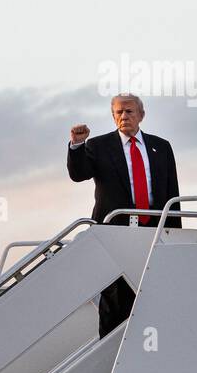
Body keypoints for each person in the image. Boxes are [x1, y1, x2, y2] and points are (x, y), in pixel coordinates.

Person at [67, 93, 182, 335]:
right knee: (115, 301)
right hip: (114, 236)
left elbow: (173, 193)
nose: (124, 116)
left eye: (129, 111)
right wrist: (77, 145)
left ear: (141, 115)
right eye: (118, 112)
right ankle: (110, 364)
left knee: (154, 298)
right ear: (113, 116)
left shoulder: (161, 147)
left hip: (153, 233)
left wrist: (176, 237)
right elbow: (79, 174)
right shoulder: (98, 146)